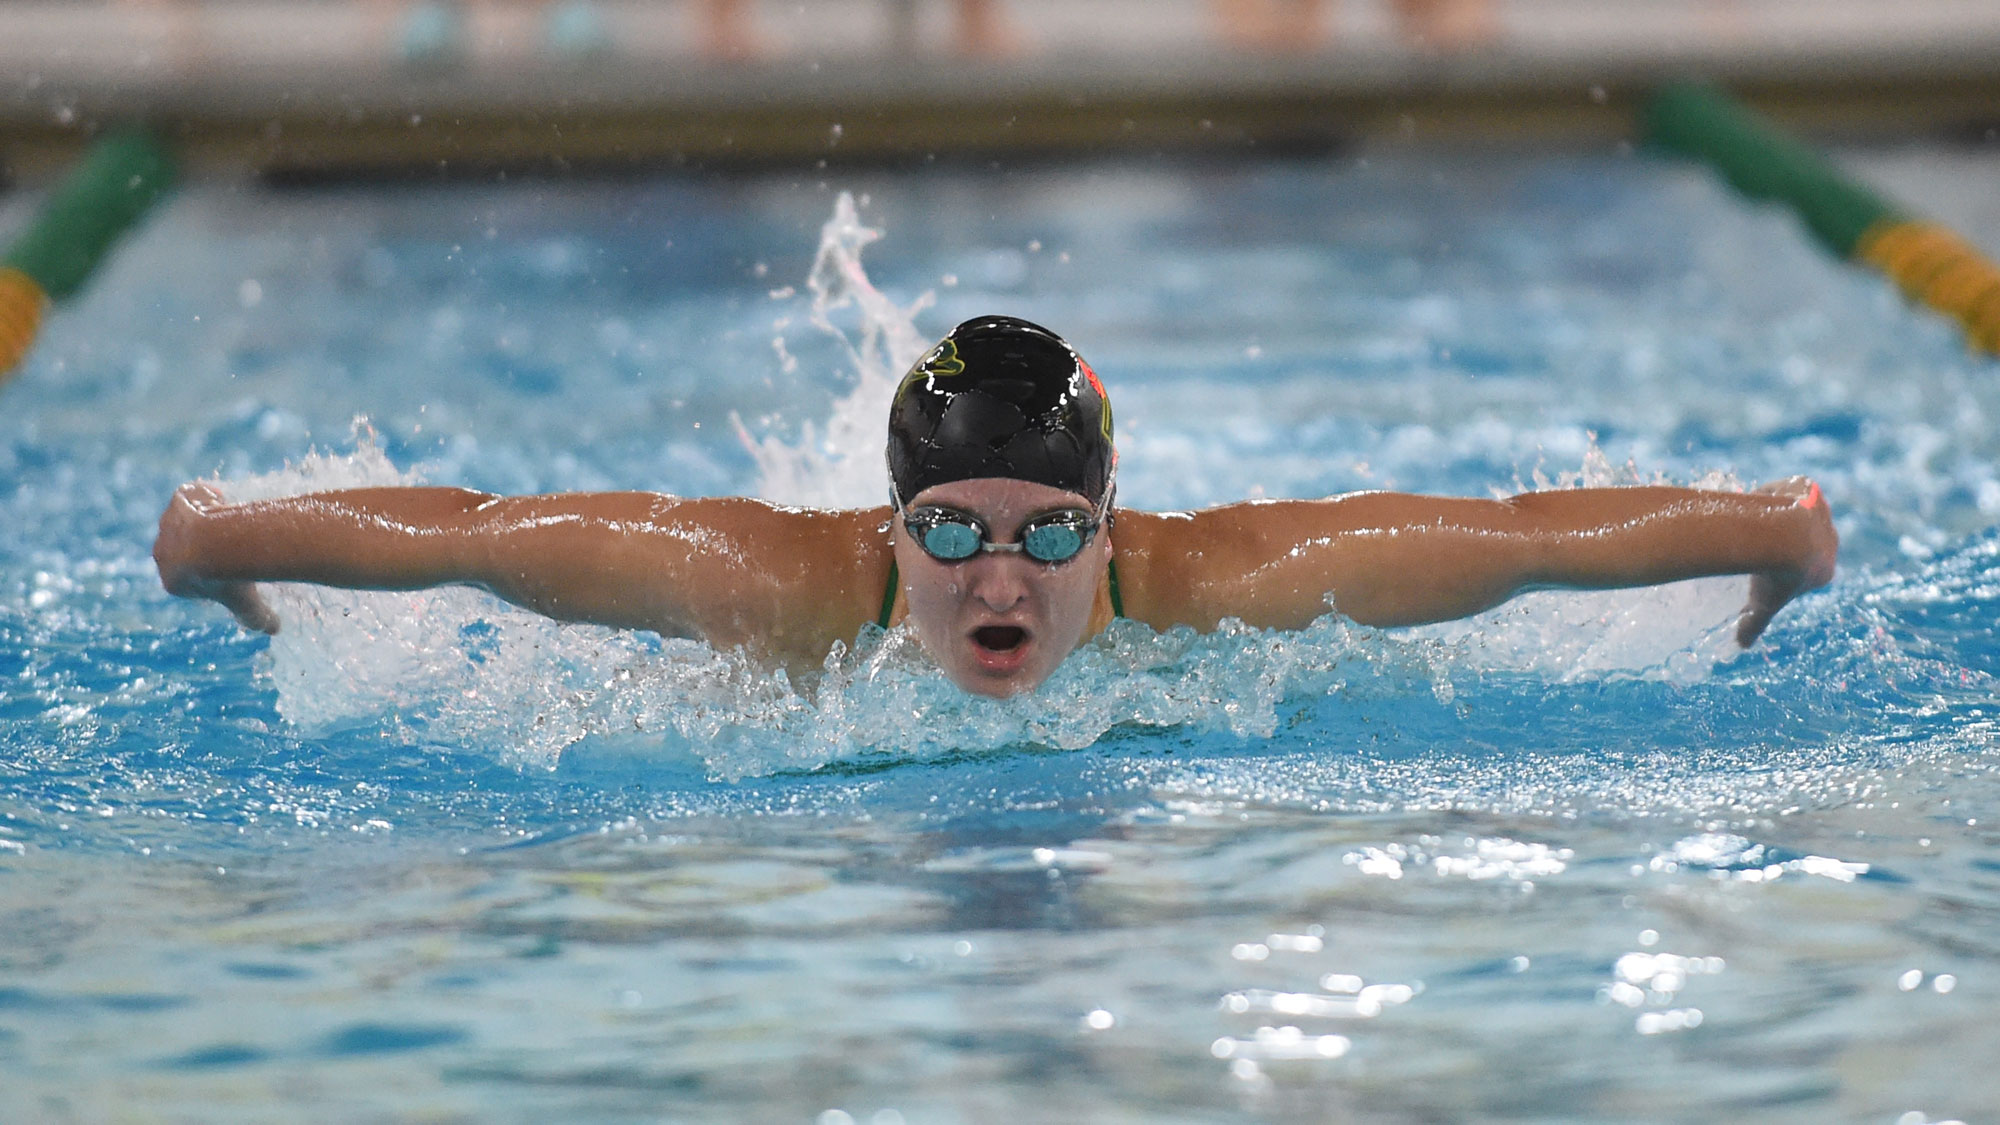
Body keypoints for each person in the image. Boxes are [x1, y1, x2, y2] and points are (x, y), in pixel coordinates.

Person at [155, 315, 1837, 699]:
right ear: (891, 530)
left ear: (1115, 526)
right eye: (951, 531)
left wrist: (1777, 534)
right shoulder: (778, 587)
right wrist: (220, 550)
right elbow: (467, 533)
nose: (998, 574)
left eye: (1047, 531)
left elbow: (1532, 540)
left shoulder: (1235, 582)